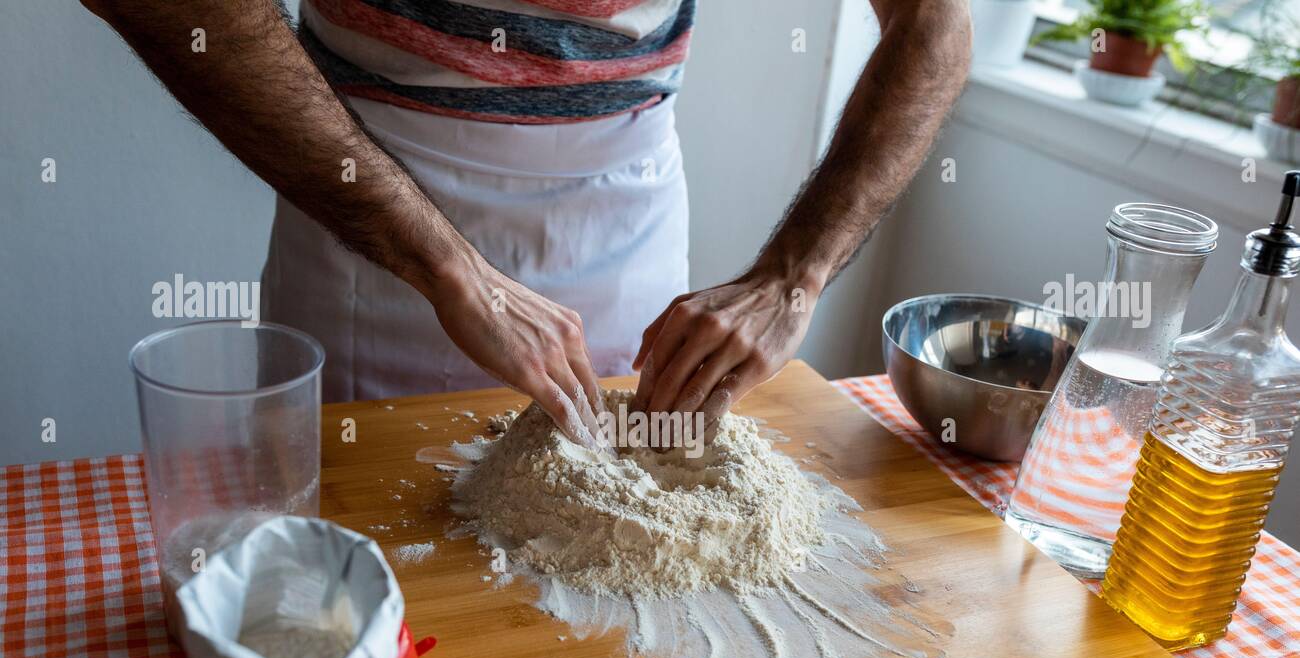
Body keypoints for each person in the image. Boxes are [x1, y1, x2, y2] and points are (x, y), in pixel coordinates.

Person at [84, 0, 972, 445]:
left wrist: (791, 276)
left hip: (628, 232)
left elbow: (936, 19)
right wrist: (447, 266)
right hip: (372, 241)